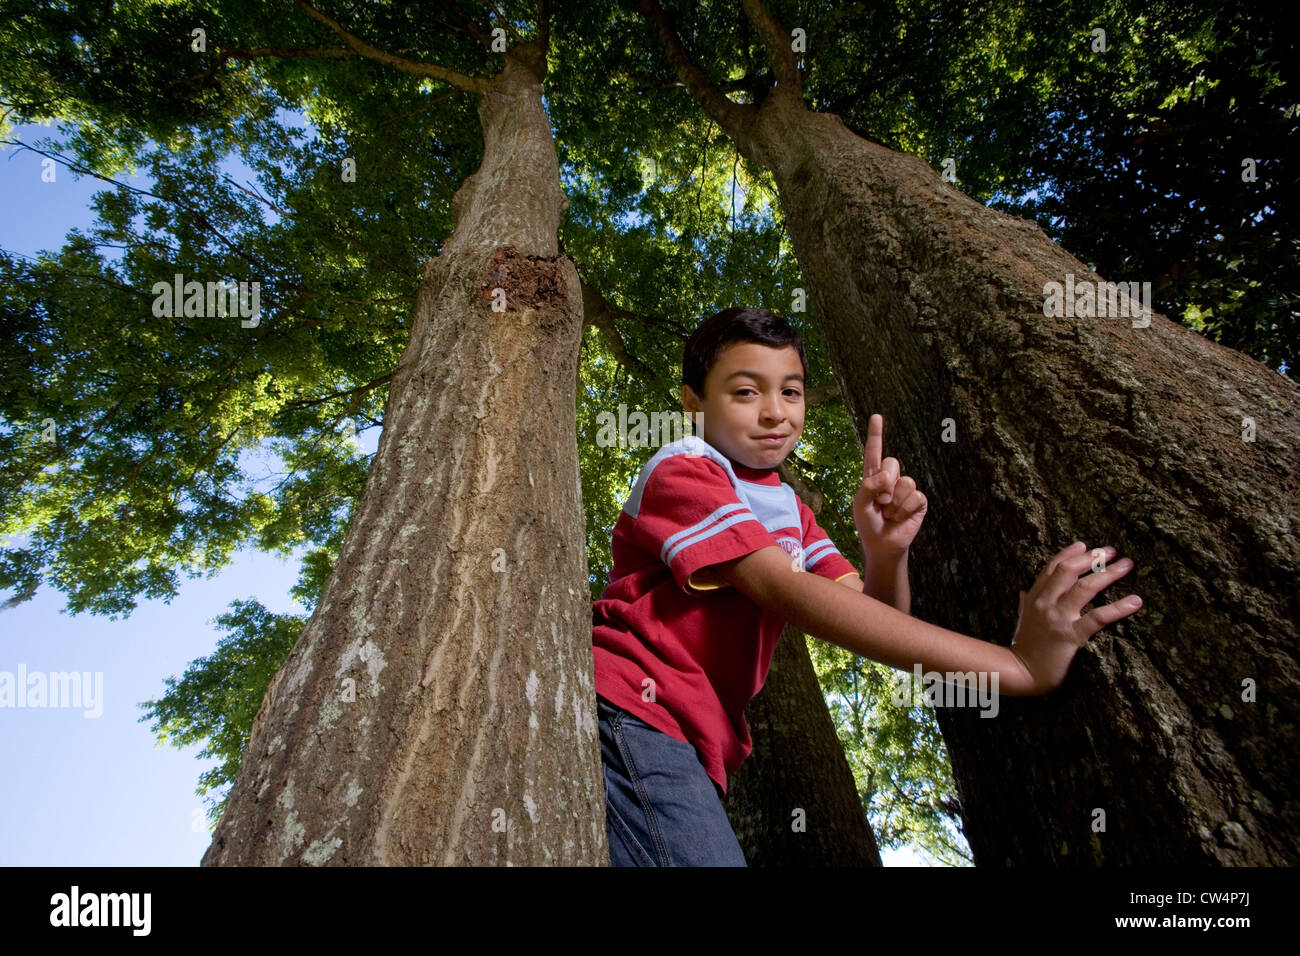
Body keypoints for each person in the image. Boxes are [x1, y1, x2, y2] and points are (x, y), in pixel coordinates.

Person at [590, 306, 1142, 866]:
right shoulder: (685, 465)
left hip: (696, 736)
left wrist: (884, 552)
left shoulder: (794, 514)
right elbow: (784, 590)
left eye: (792, 391)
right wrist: (1017, 667)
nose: (776, 412)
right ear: (694, 404)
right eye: (745, 393)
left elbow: (872, 613)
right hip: (634, 701)